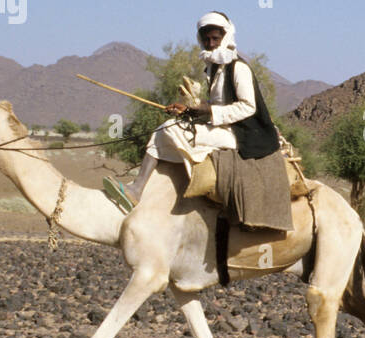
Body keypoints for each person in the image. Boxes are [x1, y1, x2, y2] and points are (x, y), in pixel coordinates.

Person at [104, 11, 281, 209]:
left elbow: (248, 106)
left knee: (168, 129)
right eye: (206, 39)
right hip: (223, 127)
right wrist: (189, 108)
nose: (211, 43)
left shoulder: (238, 68)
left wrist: (208, 110)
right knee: (168, 128)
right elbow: (217, 102)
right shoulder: (214, 67)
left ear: (226, 36)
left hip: (242, 134)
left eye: (215, 38)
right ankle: (139, 189)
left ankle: (137, 189)